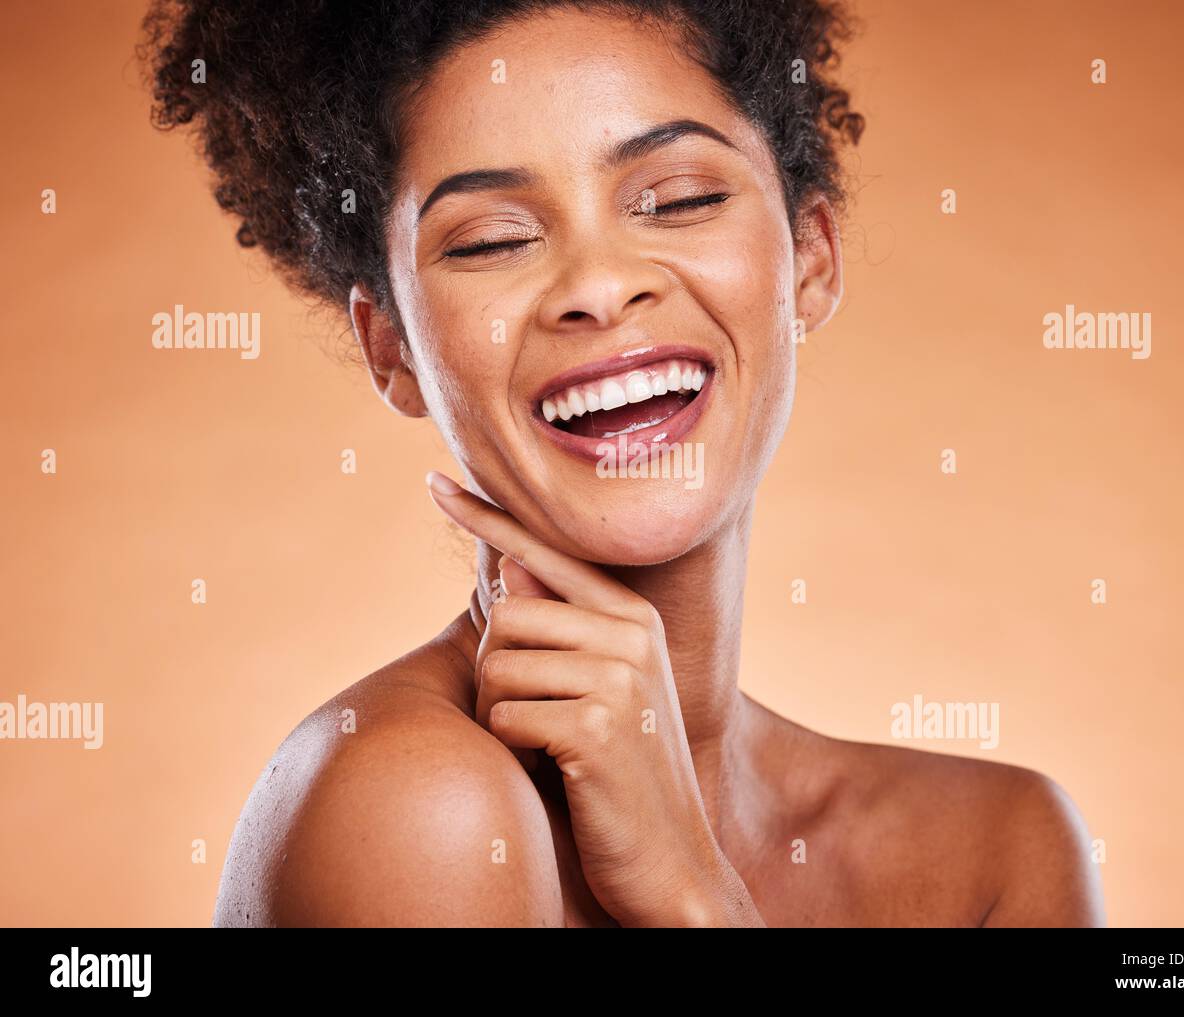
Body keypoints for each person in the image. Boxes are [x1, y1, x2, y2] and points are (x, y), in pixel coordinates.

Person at [142, 0, 1105, 927]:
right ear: (391, 347)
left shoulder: (1001, 847)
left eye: (680, 200)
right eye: (493, 241)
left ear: (810, 258)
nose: (599, 287)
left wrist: (697, 892)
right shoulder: (425, 813)